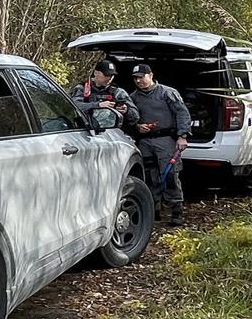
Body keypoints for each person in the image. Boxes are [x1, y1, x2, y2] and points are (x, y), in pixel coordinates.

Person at [126, 63, 191, 225]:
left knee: (169, 175)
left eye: (141, 77)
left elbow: (182, 113)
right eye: (135, 78)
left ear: (151, 75)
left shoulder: (167, 93)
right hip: (145, 141)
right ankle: (153, 209)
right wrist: (136, 127)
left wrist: (182, 136)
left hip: (165, 139)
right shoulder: (133, 97)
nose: (138, 81)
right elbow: (130, 118)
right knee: (149, 175)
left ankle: (177, 211)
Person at [70, 59, 135, 128]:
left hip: (111, 132)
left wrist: (126, 111)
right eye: (106, 75)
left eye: (112, 75)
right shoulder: (82, 88)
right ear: (95, 73)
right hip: (84, 129)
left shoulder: (118, 92)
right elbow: (72, 106)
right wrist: (98, 105)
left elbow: (135, 117)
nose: (109, 78)